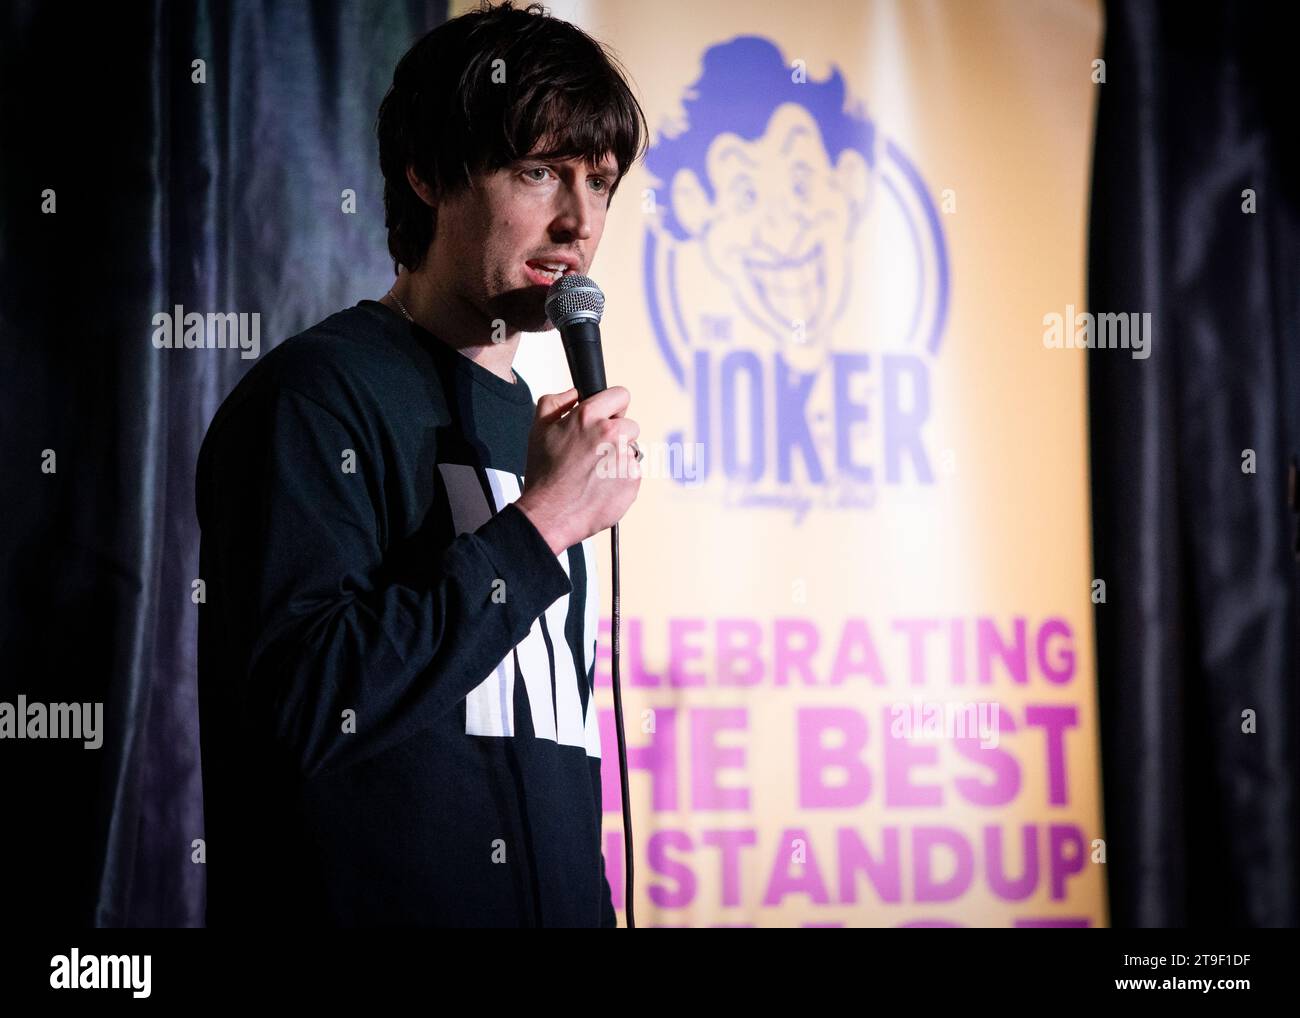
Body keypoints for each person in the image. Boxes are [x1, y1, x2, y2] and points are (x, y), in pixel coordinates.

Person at [195, 0, 647, 927]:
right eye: (539, 171)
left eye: (599, 182)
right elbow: (308, 705)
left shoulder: (538, 429)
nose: (578, 221)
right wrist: (539, 530)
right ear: (430, 175)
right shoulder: (317, 395)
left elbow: (546, 752)